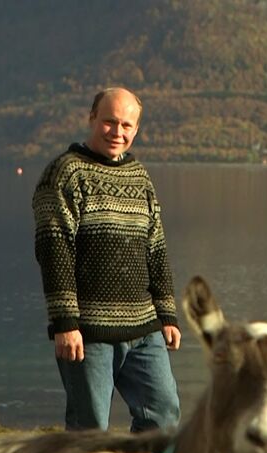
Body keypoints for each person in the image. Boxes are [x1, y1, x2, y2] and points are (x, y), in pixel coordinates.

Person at [33, 87, 181, 433]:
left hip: (145, 329)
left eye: (127, 126)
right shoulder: (64, 173)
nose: (118, 132)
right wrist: (65, 323)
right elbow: (54, 250)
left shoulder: (139, 176)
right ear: (92, 119)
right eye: (110, 122)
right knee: (89, 430)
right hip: (88, 333)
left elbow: (155, 246)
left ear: (136, 129)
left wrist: (167, 313)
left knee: (163, 416)